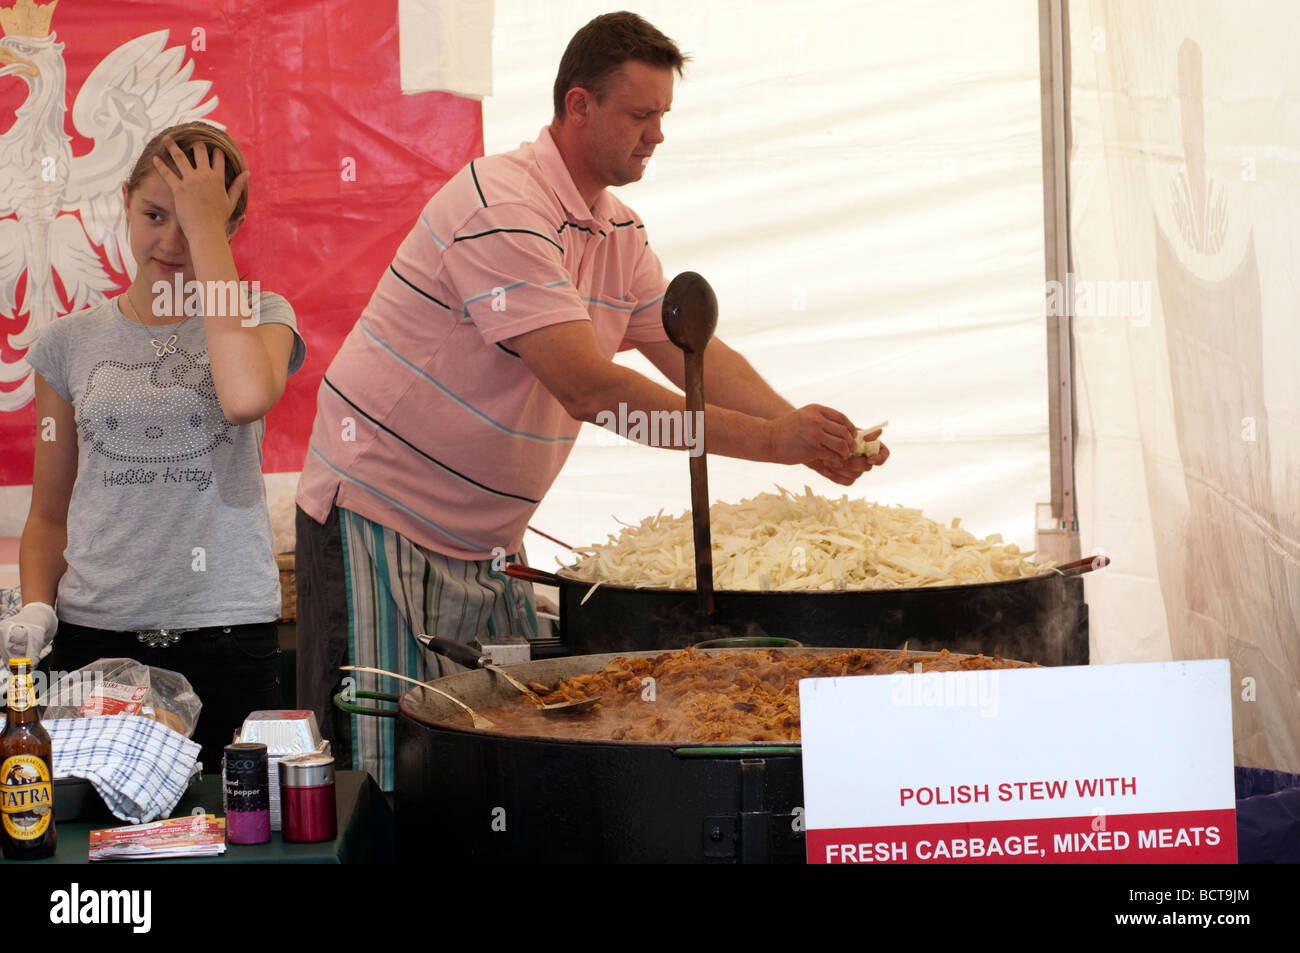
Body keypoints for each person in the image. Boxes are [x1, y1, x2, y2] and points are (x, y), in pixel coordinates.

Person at [294, 12, 890, 790]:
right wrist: (773, 441)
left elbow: (691, 355)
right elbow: (589, 386)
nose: (657, 136)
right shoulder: (501, 204)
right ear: (578, 106)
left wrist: (802, 431)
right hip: (381, 514)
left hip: (486, 540)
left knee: (484, 764)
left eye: (664, 116)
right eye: (640, 115)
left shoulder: (618, 230)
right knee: (384, 775)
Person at [5, 122, 306, 770]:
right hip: (96, 635)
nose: (171, 242)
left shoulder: (260, 314)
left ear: (228, 228)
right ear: (123, 201)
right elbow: (50, 509)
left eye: (194, 223)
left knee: (239, 828)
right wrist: (36, 603)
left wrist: (208, 233)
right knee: (102, 838)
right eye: (153, 215)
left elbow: (245, 395)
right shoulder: (68, 344)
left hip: (227, 634)